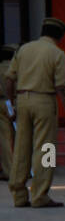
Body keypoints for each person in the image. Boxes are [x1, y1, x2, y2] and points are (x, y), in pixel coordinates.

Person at [5, 18, 65, 208]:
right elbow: (61, 87)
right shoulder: (57, 53)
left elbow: (9, 80)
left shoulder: (23, 50)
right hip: (44, 101)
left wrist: (10, 105)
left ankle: (19, 195)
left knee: (21, 148)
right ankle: (40, 195)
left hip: (22, 101)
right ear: (59, 36)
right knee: (47, 149)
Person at [0, 44, 15, 181]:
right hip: (15, 103)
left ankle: (8, 170)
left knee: (4, 139)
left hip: (1, 103)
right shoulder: (16, 69)